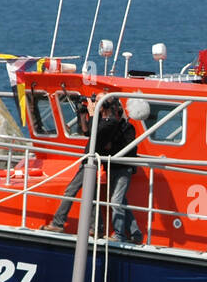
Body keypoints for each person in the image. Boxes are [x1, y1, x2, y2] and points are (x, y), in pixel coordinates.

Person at [44, 96, 144, 243]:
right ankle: (99, 228)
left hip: (99, 164)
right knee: (94, 196)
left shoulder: (112, 124)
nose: (95, 105)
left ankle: (59, 222)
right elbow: (87, 131)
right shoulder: (103, 121)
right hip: (97, 163)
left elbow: (95, 134)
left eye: (98, 103)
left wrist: (91, 115)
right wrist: (82, 113)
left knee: (74, 191)